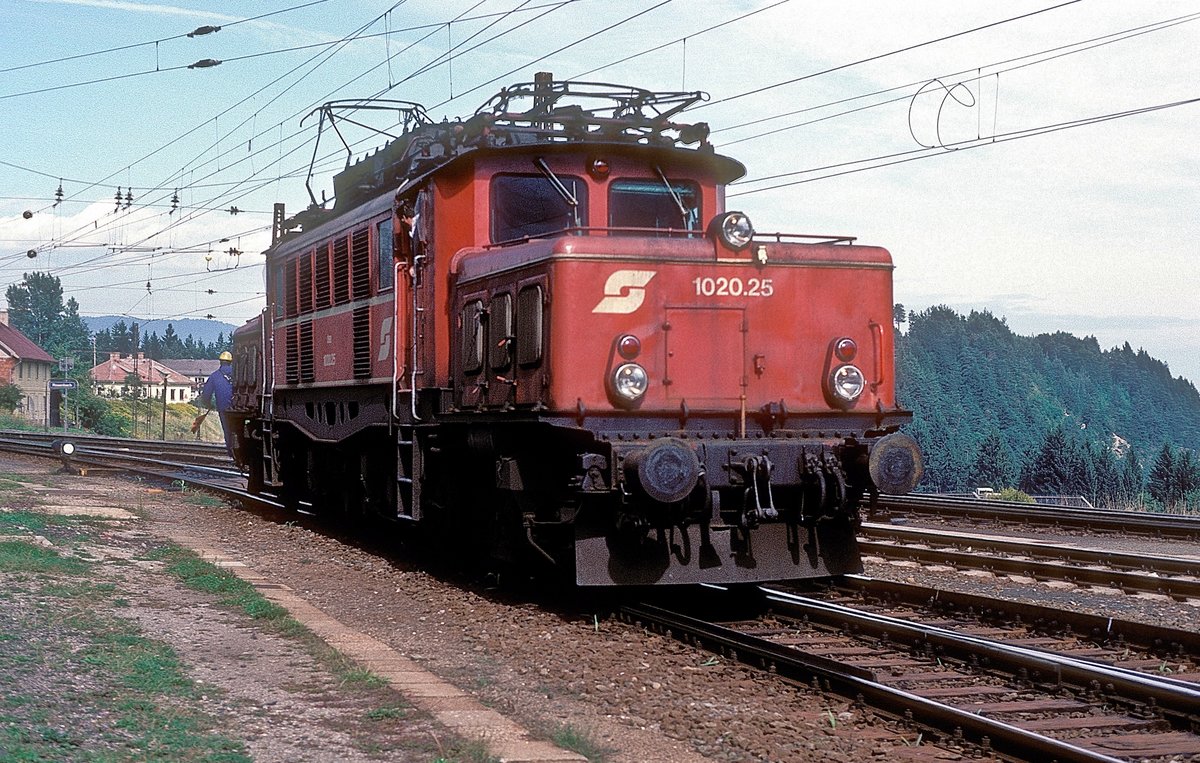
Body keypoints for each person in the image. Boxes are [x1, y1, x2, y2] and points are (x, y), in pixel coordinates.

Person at [200, 351, 235, 460]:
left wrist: (208, 404)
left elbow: (206, 394)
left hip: (223, 408)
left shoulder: (215, 376)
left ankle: (232, 452)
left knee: (227, 430)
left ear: (220, 362)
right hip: (239, 407)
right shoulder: (237, 374)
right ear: (230, 362)